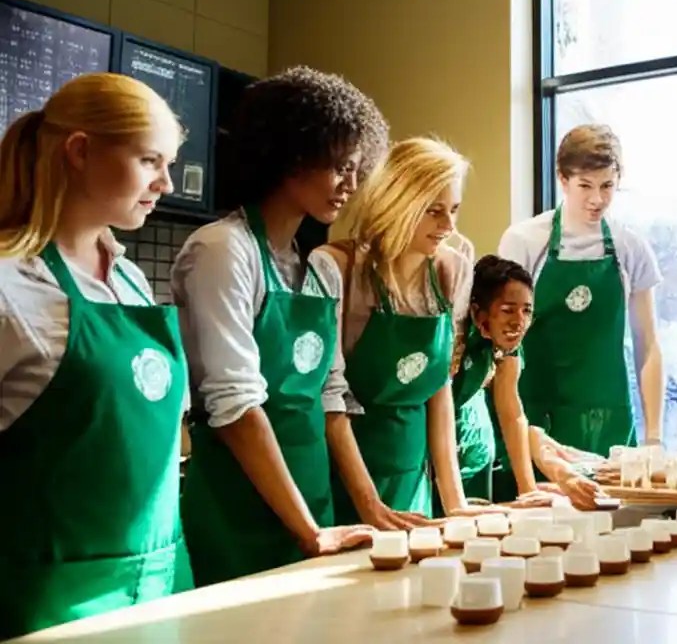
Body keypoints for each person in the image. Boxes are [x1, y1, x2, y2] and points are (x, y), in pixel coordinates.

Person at [174, 66, 388, 586]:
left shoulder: (317, 271)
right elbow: (234, 404)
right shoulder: (223, 250)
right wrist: (308, 531)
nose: (351, 185)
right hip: (239, 506)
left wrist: (369, 507)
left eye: (358, 169)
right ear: (291, 154)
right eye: (339, 166)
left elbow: (331, 397)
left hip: (312, 499)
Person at [0, 74, 187, 638]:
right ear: (79, 152)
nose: (167, 183)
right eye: (150, 160)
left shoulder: (128, 278)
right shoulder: (10, 284)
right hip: (46, 599)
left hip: (158, 580)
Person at [311, 137, 493, 525]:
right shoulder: (336, 268)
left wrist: (455, 503)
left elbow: (438, 388)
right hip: (344, 482)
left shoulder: (451, 272)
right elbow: (331, 399)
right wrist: (370, 506)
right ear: (398, 203)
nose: (449, 226)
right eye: (434, 211)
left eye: (454, 210)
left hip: (414, 486)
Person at [498, 123, 664, 456]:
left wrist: (653, 438)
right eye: (585, 185)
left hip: (610, 423)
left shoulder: (631, 248)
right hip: (537, 420)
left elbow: (648, 345)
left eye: (608, 186)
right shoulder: (525, 241)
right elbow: (501, 344)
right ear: (563, 179)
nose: (597, 199)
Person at [452, 254, 607, 509]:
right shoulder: (455, 340)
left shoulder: (508, 344)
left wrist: (528, 491)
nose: (519, 321)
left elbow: (512, 414)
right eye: (508, 310)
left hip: (475, 456)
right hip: (433, 460)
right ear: (478, 312)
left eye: (527, 310)